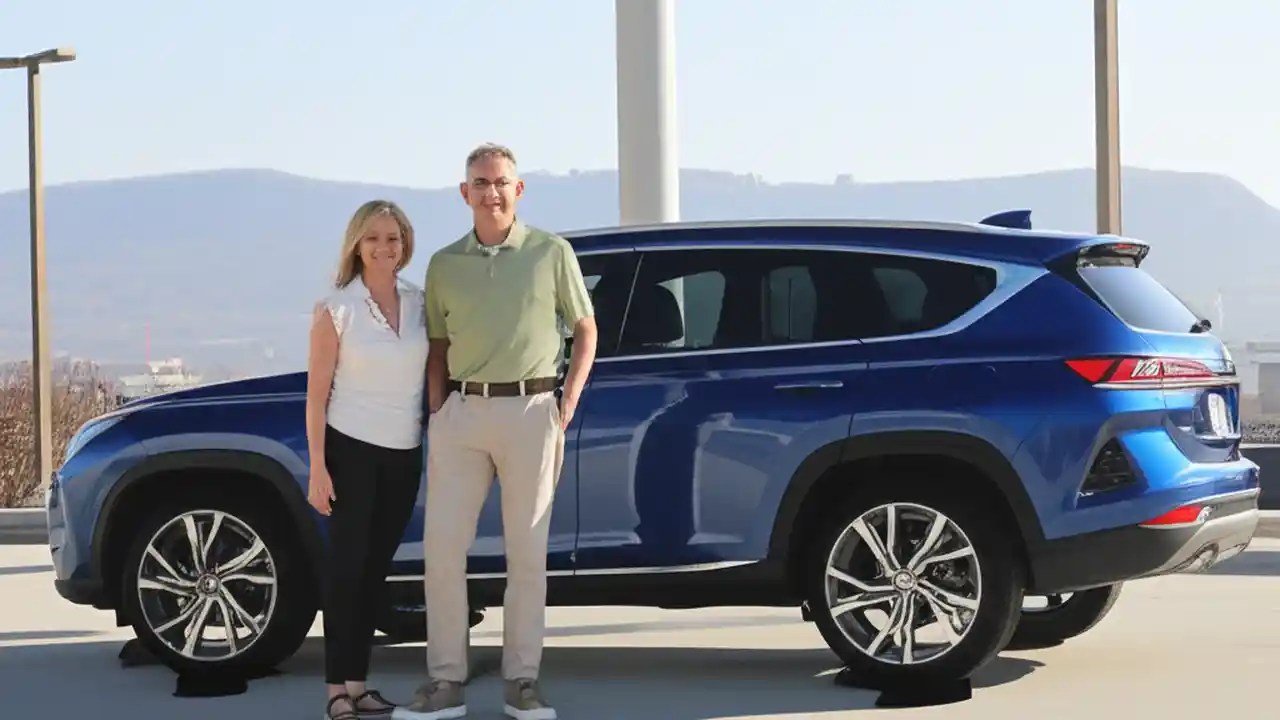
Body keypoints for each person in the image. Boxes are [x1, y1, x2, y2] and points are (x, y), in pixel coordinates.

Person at [394, 143, 597, 720]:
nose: (491, 192)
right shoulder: (443, 264)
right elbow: (437, 346)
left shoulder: (551, 253)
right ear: (465, 193)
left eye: (501, 182)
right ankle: (445, 681)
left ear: (519, 189)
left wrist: (566, 402)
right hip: (462, 415)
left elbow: (585, 330)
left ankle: (523, 681)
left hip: (533, 412)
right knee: (441, 551)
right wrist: (438, 411)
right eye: (480, 183)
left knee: (528, 553)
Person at [307, 200, 429, 720]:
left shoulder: (421, 302)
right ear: (357, 244)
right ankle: (336, 689)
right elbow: (316, 396)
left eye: (394, 238)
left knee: (375, 571)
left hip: (404, 452)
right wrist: (318, 467)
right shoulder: (337, 309)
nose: (385, 247)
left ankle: (360, 686)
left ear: (405, 245)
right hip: (350, 449)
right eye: (374, 237)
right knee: (346, 570)